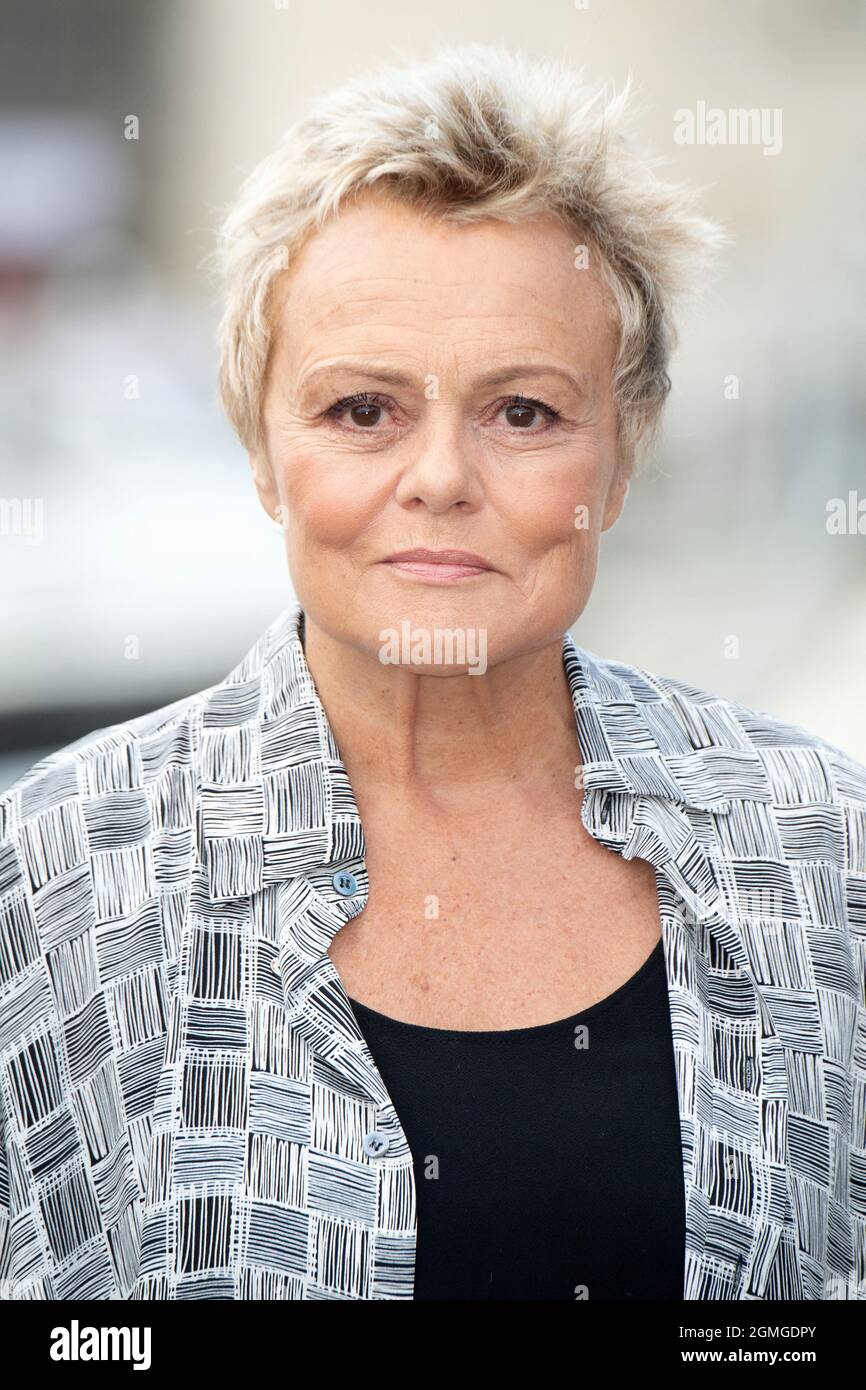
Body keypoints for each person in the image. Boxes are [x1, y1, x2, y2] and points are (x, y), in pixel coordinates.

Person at [1, 42, 863, 1302]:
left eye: (523, 411)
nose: (441, 477)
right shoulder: (51, 879)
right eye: (362, 409)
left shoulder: (817, 850)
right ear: (257, 446)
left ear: (620, 460)